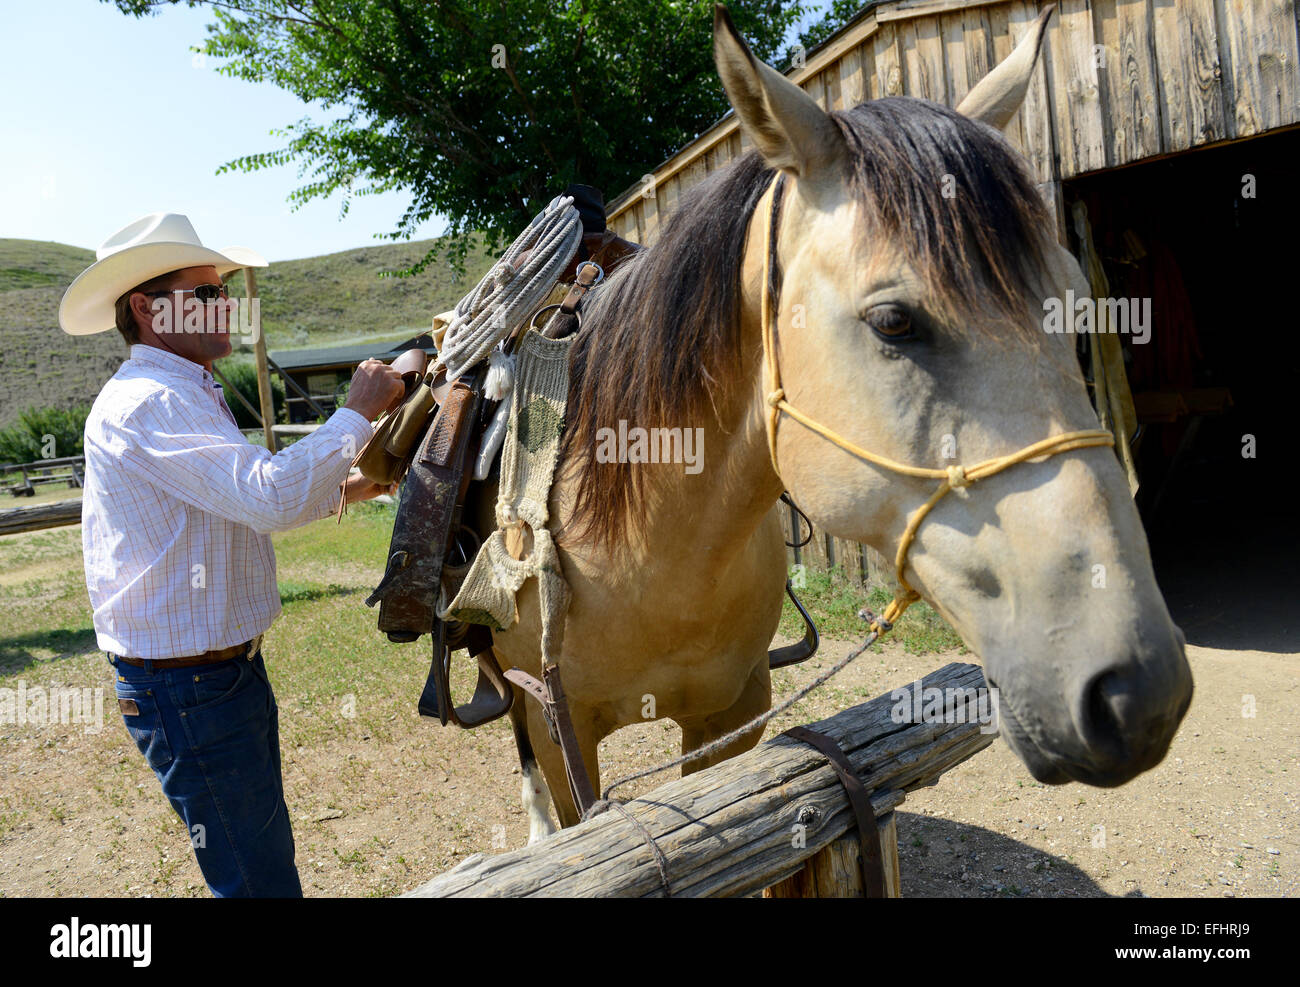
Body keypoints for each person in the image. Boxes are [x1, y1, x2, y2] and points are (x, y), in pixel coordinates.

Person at [59, 212, 404, 896]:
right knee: (259, 883)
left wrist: (362, 482)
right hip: (191, 687)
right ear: (148, 308)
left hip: (205, 679)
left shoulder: (178, 390)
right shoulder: (153, 401)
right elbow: (269, 495)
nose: (229, 306)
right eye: (209, 293)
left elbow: (240, 507)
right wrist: (357, 411)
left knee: (259, 870)